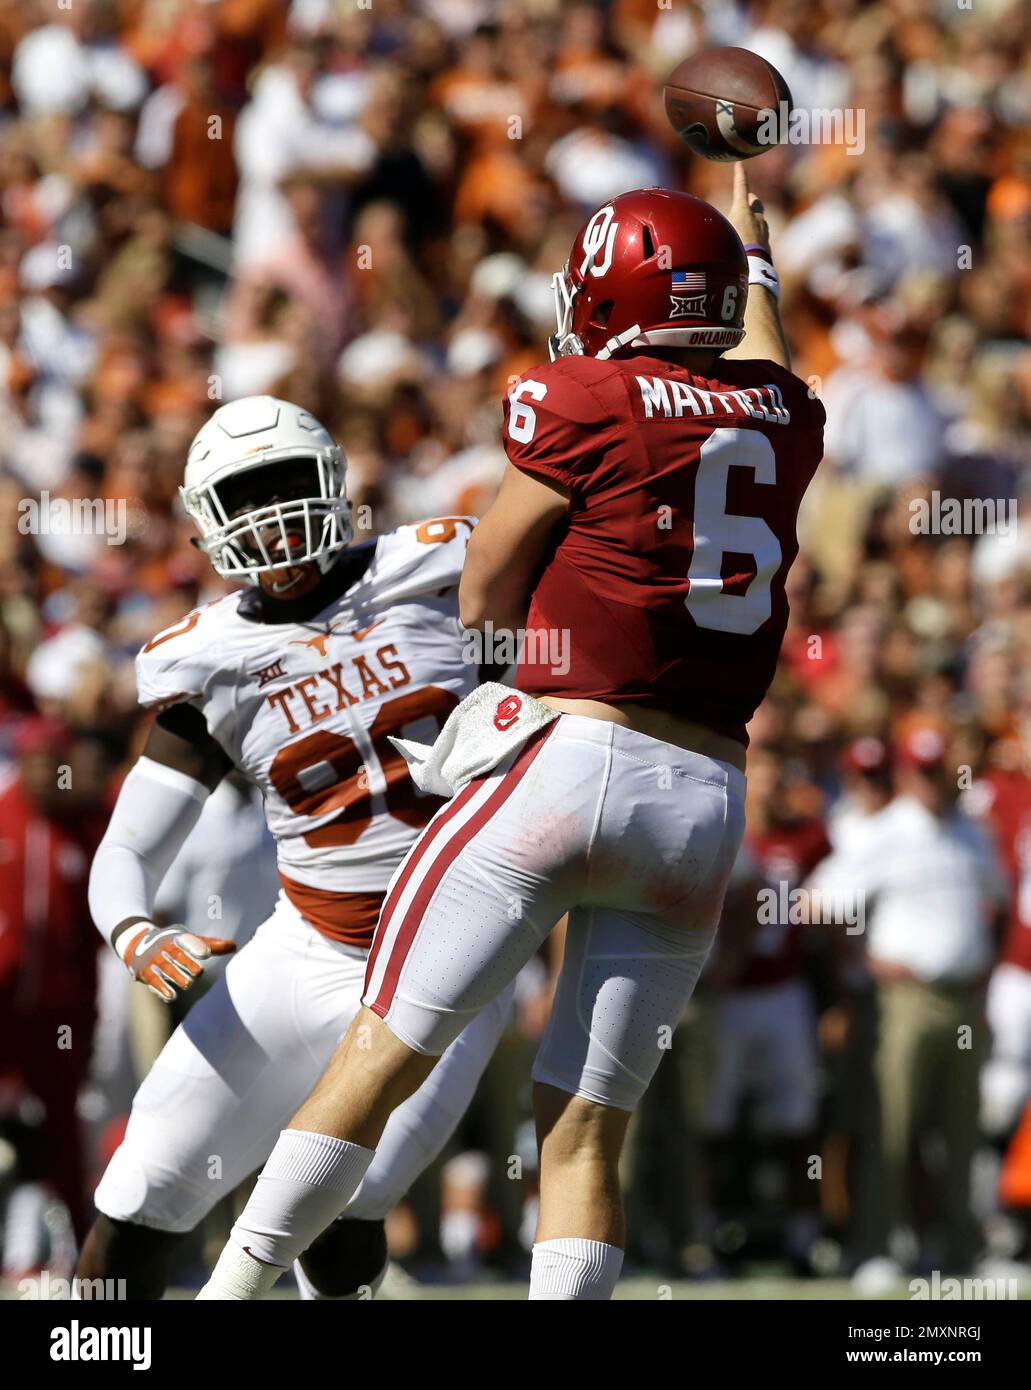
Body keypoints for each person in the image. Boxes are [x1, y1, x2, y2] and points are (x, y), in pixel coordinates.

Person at [198, 165, 826, 1301]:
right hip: (702, 802)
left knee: (377, 1054)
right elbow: (768, 364)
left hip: (569, 756)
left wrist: (496, 686)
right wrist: (756, 253)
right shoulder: (784, 415)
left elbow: (487, 579)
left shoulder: (586, 396)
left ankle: (224, 1299)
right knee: (584, 1133)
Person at [75, 395, 513, 1299]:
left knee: (341, 1204)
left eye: (282, 483)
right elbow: (126, 850)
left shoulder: (435, 568)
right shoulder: (209, 657)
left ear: (331, 478)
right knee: (140, 1192)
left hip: (449, 961)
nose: (271, 517)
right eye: (245, 495)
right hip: (307, 949)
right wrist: (136, 933)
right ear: (204, 525)